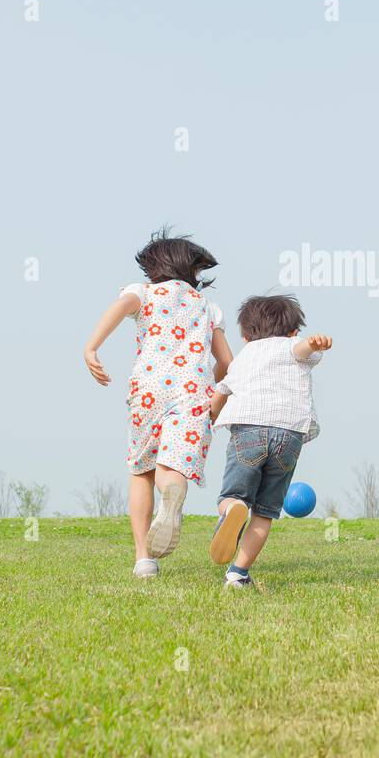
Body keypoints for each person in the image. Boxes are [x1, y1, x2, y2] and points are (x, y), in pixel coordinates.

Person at [84, 227, 232, 577]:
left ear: (155, 268)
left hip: (149, 388)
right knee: (172, 467)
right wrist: (214, 401)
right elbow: (227, 363)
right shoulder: (208, 308)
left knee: (142, 470)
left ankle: (143, 560)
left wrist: (91, 347)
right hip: (194, 389)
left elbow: (121, 308)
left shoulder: (144, 293)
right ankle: (174, 493)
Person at [209, 294, 332, 588]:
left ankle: (231, 510)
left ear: (246, 334)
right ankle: (238, 573)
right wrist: (313, 344)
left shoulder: (243, 357)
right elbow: (301, 350)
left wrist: (209, 421)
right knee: (264, 513)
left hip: (249, 431)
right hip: (289, 437)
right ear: (293, 330)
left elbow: (221, 393)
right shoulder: (293, 345)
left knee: (232, 497)